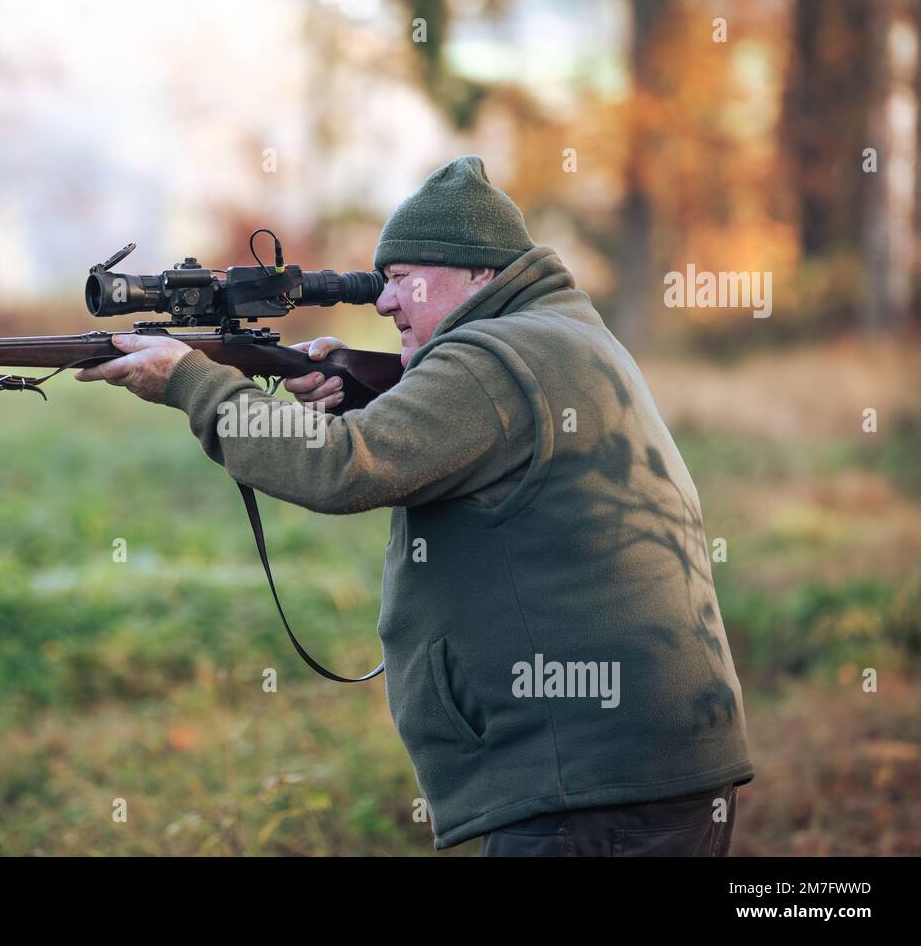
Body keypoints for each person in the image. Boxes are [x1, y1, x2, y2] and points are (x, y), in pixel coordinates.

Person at [75, 155, 755, 855]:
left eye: (403, 281)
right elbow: (488, 437)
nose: (384, 302)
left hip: (590, 788)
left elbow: (337, 468)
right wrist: (373, 392)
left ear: (479, 275)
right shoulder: (562, 336)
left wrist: (193, 382)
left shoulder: (493, 358)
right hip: (639, 763)